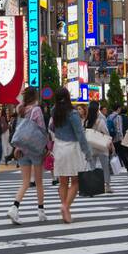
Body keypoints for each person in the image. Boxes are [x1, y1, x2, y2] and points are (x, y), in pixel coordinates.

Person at [7, 87, 50, 224]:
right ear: (35, 97)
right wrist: (46, 147)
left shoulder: (20, 110)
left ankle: (14, 207)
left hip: (22, 149)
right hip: (35, 150)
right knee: (39, 182)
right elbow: (42, 130)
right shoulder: (36, 110)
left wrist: (17, 147)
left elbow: (20, 131)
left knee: (25, 182)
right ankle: (41, 211)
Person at [48, 88, 92, 224]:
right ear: (68, 97)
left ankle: (65, 209)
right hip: (72, 148)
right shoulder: (72, 113)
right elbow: (79, 134)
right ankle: (66, 207)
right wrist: (87, 151)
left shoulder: (54, 111)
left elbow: (51, 128)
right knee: (75, 181)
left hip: (59, 147)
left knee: (62, 181)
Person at [84, 100, 114, 194]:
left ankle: (93, 186)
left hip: (91, 147)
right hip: (101, 146)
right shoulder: (100, 121)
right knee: (105, 167)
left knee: (92, 167)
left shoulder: (86, 121)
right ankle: (107, 186)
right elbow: (106, 133)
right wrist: (111, 145)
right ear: (97, 110)